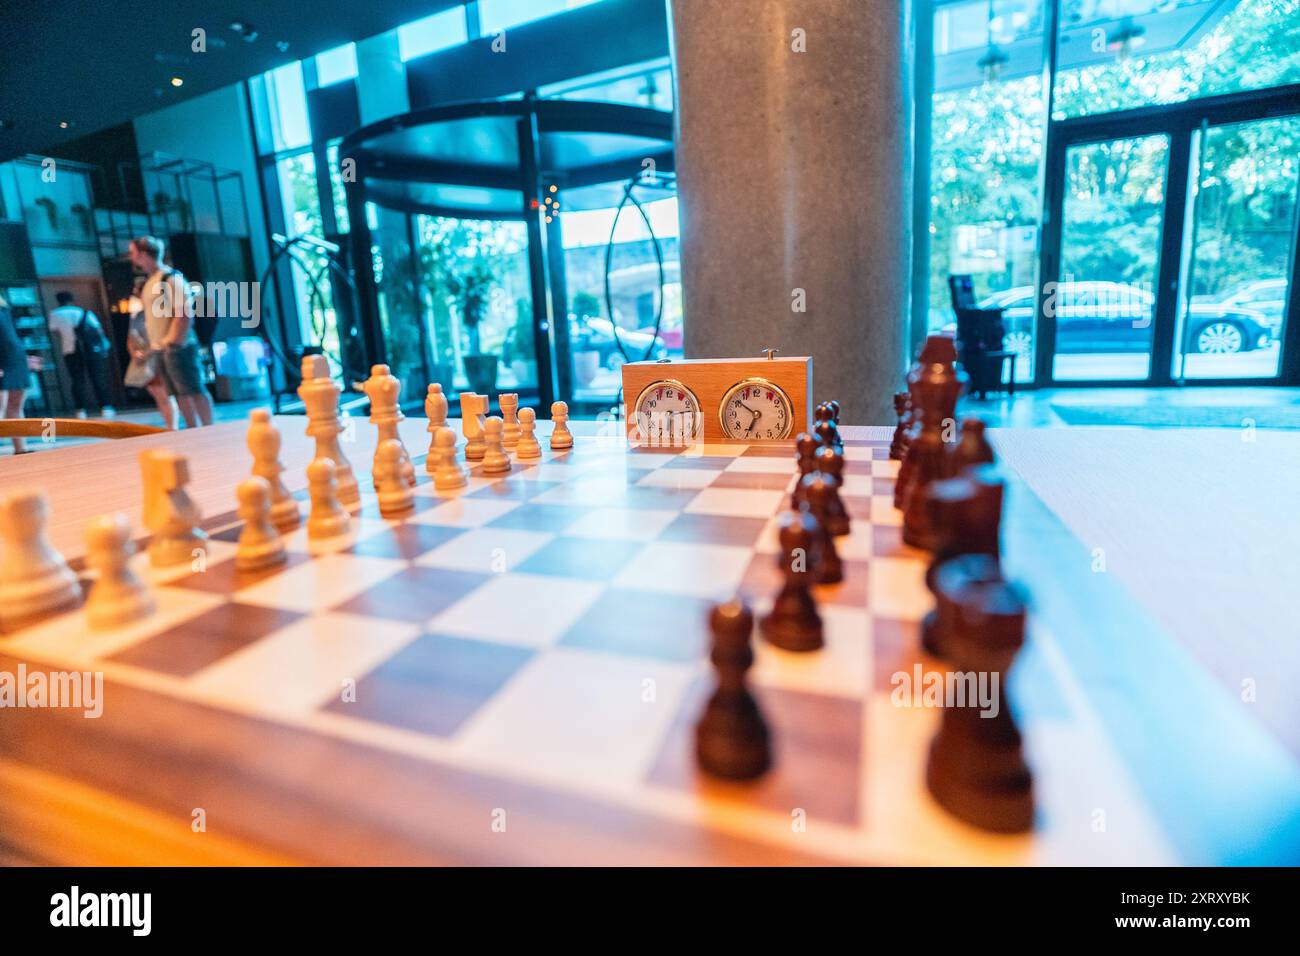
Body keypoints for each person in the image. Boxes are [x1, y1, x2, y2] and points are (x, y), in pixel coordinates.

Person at [128, 235, 213, 428]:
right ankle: (192, 429)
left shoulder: (171, 278)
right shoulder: (149, 282)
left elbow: (184, 311)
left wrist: (174, 341)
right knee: (178, 392)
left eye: (133, 253)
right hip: (160, 346)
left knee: (193, 388)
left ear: (143, 254)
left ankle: (209, 428)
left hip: (178, 345)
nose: (131, 258)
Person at [46, 290, 115, 418]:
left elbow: (55, 332)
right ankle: (105, 407)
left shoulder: (55, 314)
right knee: (98, 377)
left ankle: (80, 409)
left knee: (77, 380)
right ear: (71, 299)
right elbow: (97, 330)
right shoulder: (83, 312)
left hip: (70, 350)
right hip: (90, 349)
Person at [123, 276, 178, 429]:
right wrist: (134, 353)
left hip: (157, 355)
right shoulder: (137, 314)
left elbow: (162, 336)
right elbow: (130, 336)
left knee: (164, 394)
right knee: (156, 393)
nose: (135, 293)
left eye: (137, 290)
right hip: (145, 359)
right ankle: (169, 427)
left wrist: (147, 352)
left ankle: (172, 427)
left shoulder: (159, 311)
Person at [0, 292, 32, 454]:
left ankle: (20, 448)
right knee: (1, 404)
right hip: (4, 358)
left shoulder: (3, 306)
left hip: (15, 355)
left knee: (16, 402)